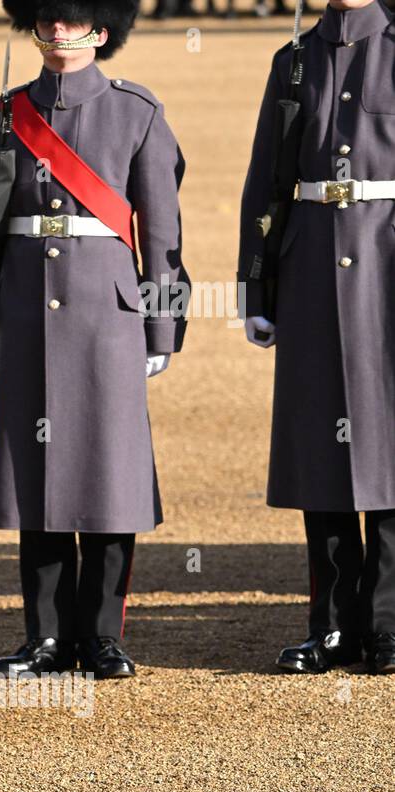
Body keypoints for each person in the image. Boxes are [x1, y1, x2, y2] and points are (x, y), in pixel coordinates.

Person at [0, 0, 188, 680]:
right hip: (27, 310)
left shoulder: (135, 113)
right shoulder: (2, 116)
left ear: (101, 30)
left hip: (109, 314)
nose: (57, 28)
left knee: (109, 475)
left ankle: (103, 635)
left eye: (72, 16)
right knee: (40, 477)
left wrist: (162, 322)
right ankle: (46, 638)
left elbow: (164, 240)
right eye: (47, 15)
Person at [238, 0, 395, 676]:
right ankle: (331, 625)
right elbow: (267, 179)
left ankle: (388, 624)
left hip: (389, 263)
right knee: (321, 448)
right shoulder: (294, 60)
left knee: (391, 444)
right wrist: (256, 284)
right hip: (310, 267)